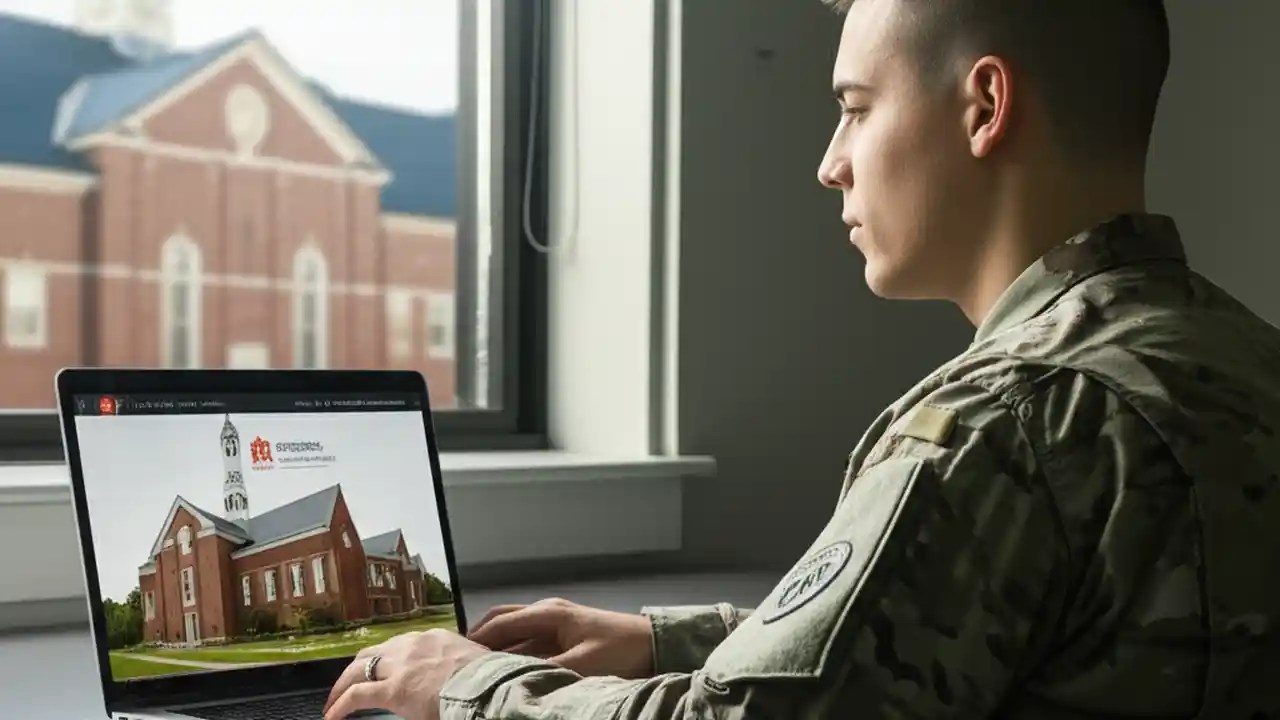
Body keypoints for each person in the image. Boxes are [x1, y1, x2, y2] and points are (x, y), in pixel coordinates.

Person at [325, 0, 1280, 717]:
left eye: (857, 109)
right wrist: (664, 640)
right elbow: (946, 639)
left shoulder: (1006, 425)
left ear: (985, 105)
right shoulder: (1239, 360)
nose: (832, 161)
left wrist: (470, 686)